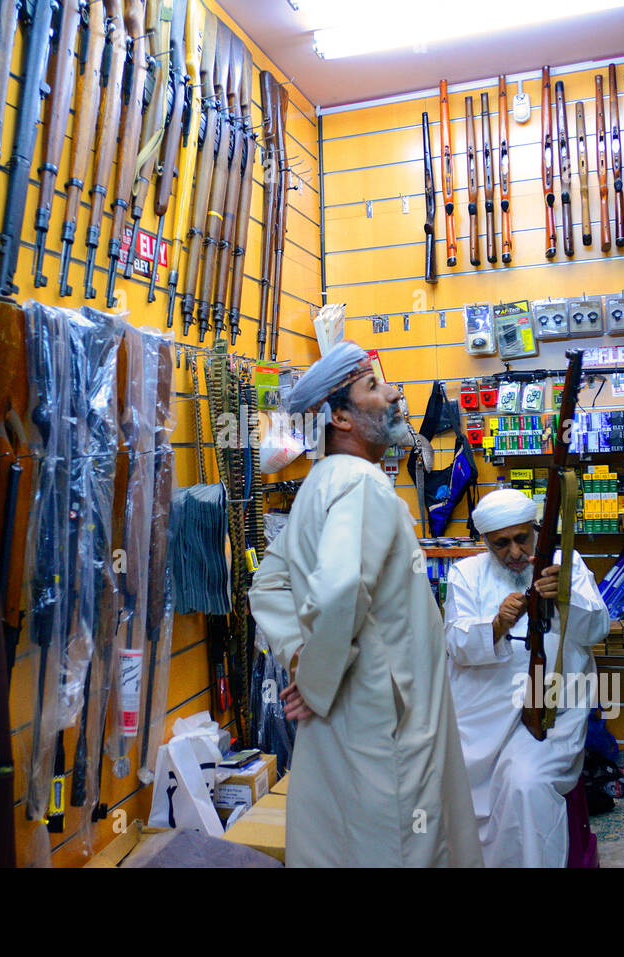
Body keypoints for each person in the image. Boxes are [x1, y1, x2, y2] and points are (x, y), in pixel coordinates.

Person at [248, 342, 480, 867]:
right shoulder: (362, 485)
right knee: (402, 844)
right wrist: (313, 681)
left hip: (348, 714)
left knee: (345, 840)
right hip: (385, 719)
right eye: (374, 387)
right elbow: (339, 591)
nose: (395, 394)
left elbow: (267, 585)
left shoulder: (318, 485)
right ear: (342, 418)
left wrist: (305, 661)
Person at [443, 487, 609, 867]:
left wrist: (567, 597)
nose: (515, 553)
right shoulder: (466, 574)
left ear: (536, 529)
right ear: (484, 541)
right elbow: (455, 642)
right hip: (481, 711)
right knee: (449, 783)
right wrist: (497, 624)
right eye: (501, 544)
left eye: (523, 539)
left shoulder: (569, 562)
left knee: (525, 784)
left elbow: (596, 628)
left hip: (551, 713)